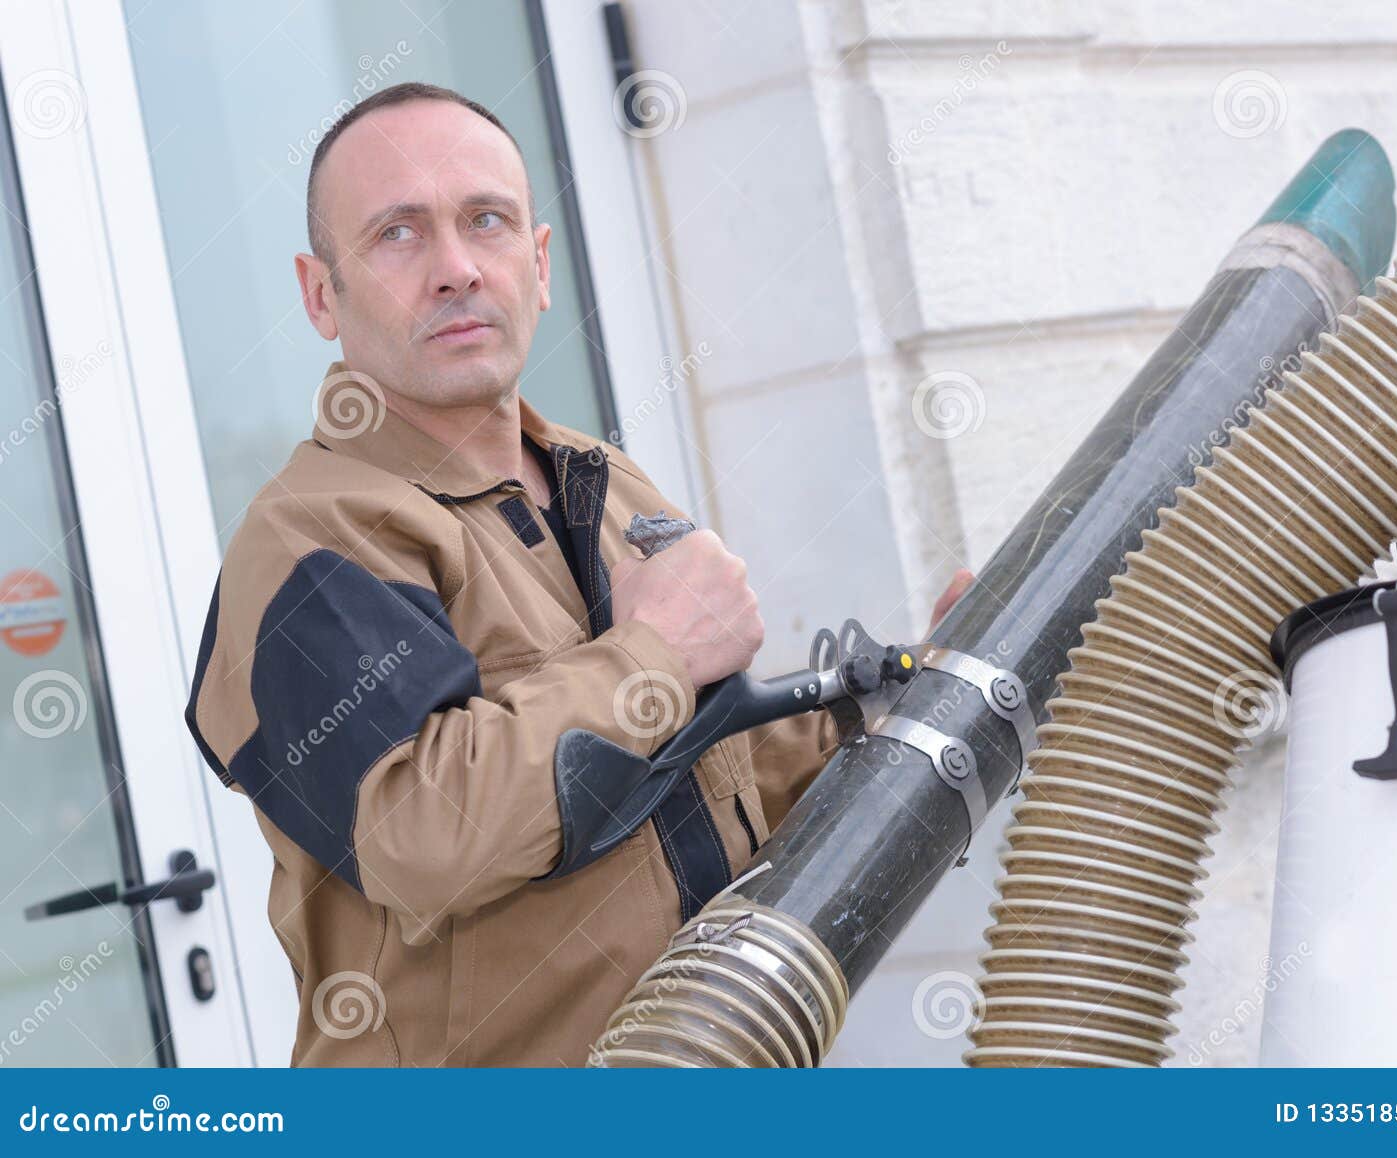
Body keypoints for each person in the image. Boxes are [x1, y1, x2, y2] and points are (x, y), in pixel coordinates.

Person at [183, 82, 974, 1066]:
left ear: (540, 263)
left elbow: (707, 783)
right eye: (397, 234)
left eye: (487, 220)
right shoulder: (311, 539)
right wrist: (652, 654)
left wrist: (907, 706)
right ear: (320, 294)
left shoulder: (602, 481)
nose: (456, 269)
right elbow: (423, 835)